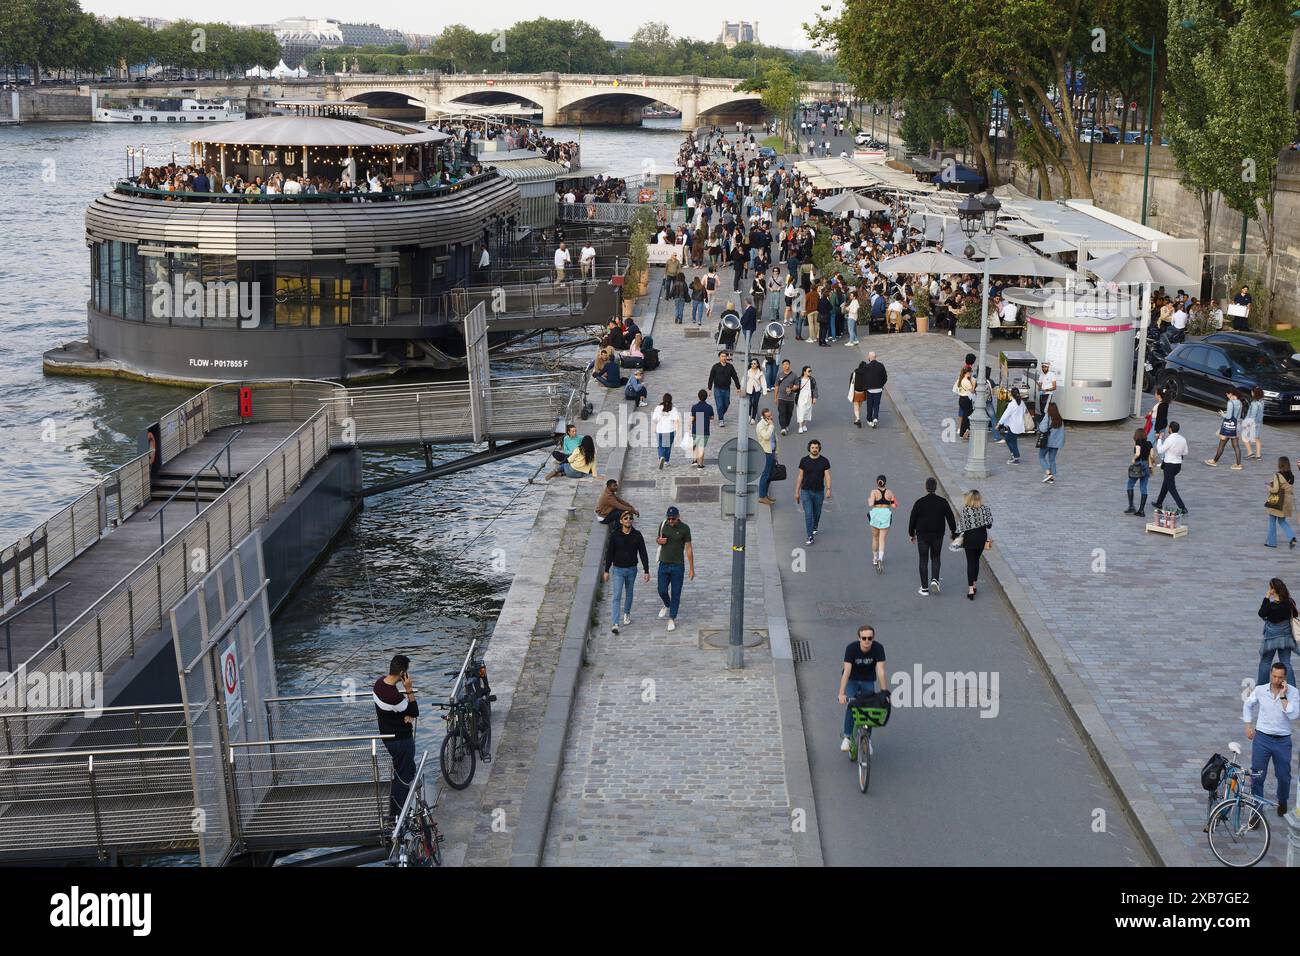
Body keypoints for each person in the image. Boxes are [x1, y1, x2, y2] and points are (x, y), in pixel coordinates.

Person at [1242, 661, 1297, 817]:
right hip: (1262, 739)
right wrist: (1248, 726)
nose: (1276, 680)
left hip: (1283, 741)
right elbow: (1248, 705)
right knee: (1257, 775)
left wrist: (1283, 696)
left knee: (1284, 776)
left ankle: (1283, 800)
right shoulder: (1260, 690)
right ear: (1270, 675)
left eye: (1280, 677)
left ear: (1285, 677)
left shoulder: (1292, 692)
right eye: (1274, 676)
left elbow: (1293, 714)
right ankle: (1256, 812)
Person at [373, 654, 418, 823]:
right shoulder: (395, 696)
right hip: (401, 740)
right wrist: (409, 689)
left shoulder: (378, 684)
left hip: (388, 737)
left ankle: (399, 808)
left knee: (404, 771)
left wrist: (404, 715)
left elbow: (396, 711)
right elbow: (414, 711)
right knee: (403, 776)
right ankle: (397, 817)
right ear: (402, 673)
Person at [837, 625, 887, 752]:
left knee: (868, 708)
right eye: (864, 638)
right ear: (859, 638)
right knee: (852, 704)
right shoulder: (851, 649)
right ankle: (847, 738)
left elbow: (881, 671)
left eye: (869, 638)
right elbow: (847, 671)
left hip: (867, 680)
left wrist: (884, 692)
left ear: (873, 638)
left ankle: (867, 740)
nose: (867, 641)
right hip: (852, 680)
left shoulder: (878, 648)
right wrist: (841, 693)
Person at [602, 512, 649, 635]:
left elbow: (643, 553)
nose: (628, 520)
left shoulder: (637, 535)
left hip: (632, 569)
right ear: (621, 521)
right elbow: (610, 554)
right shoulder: (614, 535)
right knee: (616, 596)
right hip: (617, 570)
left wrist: (646, 570)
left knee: (629, 593)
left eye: (630, 518)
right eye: (626, 518)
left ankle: (626, 613)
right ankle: (615, 623)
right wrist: (606, 570)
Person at [908, 476, 956, 596]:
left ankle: (924, 588)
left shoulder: (919, 502)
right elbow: (950, 518)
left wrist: (911, 533)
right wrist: (953, 532)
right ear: (936, 488)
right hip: (937, 535)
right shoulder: (942, 502)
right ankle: (935, 579)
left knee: (923, 559)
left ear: (925, 487)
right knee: (936, 557)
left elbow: (912, 519)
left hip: (922, 536)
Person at [654, 506, 694, 632]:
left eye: (673, 518)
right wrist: (659, 541)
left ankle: (672, 618)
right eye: (669, 518)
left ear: (678, 517)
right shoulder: (663, 525)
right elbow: (657, 539)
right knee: (661, 590)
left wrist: (691, 568)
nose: (670, 521)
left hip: (678, 565)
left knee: (676, 593)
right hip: (664, 563)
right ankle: (666, 604)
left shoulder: (685, 528)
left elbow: (688, 548)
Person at [1258, 578, 1299, 686]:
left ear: (1273, 589)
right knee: (1286, 663)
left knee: (1265, 663)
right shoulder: (1289, 603)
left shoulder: (1271, 606)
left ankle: (1261, 688)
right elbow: (1295, 615)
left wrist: (1267, 596)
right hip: (1286, 638)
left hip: (1271, 639)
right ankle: (1292, 688)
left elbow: (1261, 613)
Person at [955, 490, 993, 600]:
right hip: (981, 539)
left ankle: (971, 589)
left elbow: (960, 527)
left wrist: (955, 537)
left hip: (969, 540)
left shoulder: (966, 510)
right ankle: (975, 584)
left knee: (970, 563)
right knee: (976, 561)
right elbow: (989, 525)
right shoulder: (985, 509)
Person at [794, 439, 832, 546]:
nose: (814, 449)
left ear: (819, 448)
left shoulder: (824, 461)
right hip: (806, 491)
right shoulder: (804, 460)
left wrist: (828, 489)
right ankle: (810, 536)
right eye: (812, 447)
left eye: (816, 447)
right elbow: (800, 476)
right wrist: (797, 492)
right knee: (809, 514)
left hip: (819, 492)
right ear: (809, 448)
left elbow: (827, 475)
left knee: (817, 513)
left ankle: (815, 526)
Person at [1205, 387, 1243, 469]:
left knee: (1221, 444)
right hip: (1237, 426)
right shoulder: (1240, 402)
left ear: (1231, 393)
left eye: (1227, 394)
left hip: (1228, 427)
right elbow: (1236, 415)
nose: (1227, 396)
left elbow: (1229, 416)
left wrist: (1222, 414)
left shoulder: (1230, 402)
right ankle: (1238, 464)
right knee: (1236, 445)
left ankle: (1214, 461)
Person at [1265, 456, 1297, 549]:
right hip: (1287, 501)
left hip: (1277, 502)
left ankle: (1272, 543)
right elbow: (1286, 486)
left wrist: (1269, 487)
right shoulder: (1291, 475)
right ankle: (1292, 537)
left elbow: (1275, 490)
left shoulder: (1277, 475)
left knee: (1272, 521)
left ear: (1280, 464)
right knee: (1282, 521)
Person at [867, 475, 897, 573]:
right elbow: (894, 505)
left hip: (875, 514)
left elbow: (871, 504)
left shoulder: (874, 492)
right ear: (885, 482)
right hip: (885, 514)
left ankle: (875, 558)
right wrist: (892, 500)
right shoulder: (890, 492)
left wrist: (869, 500)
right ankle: (880, 558)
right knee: (882, 539)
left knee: (875, 537)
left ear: (877, 482)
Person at [1124, 426, 1153, 518]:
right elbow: (1151, 455)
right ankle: (1141, 510)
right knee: (1143, 487)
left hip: (1138, 466)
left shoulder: (1138, 442)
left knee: (1130, 484)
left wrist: (1133, 458)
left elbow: (1138, 453)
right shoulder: (1149, 443)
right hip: (1146, 466)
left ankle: (1131, 506)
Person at [707, 350, 742, 427]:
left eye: (725, 356)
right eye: (722, 356)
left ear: (727, 357)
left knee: (726, 404)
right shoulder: (715, 367)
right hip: (717, 389)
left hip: (727, 389)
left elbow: (735, 377)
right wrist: (709, 389)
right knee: (719, 405)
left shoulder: (730, 367)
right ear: (719, 357)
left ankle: (721, 414)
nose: (723, 358)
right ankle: (721, 420)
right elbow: (711, 378)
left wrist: (738, 387)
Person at [996, 387, 1028, 464]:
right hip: (1018, 425)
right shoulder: (1022, 403)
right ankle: (1014, 455)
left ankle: (1015, 457)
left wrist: (999, 424)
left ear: (1011, 395)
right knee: (1012, 440)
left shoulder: (1011, 404)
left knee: (1009, 440)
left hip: (1013, 426)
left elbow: (1005, 415)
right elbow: (1024, 412)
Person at [651, 393, 682, 470]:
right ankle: (666, 461)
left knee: (660, 446)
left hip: (660, 430)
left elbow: (654, 419)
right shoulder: (673, 409)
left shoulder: (658, 408)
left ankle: (661, 457)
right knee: (668, 446)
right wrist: (678, 432)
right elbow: (677, 421)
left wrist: (653, 428)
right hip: (670, 431)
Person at [1037, 402, 1065, 483]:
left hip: (1047, 442)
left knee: (1041, 456)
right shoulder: (1060, 419)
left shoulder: (1048, 417)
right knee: (1052, 459)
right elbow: (1062, 434)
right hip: (1056, 444)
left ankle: (1048, 473)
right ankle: (1051, 478)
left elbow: (1043, 429)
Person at [757, 407, 778, 505]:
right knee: (765, 474)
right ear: (764, 417)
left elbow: (774, 439)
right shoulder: (761, 426)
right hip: (766, 452)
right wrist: (771, 426)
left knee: (770, 475)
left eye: (771, 415)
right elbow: (766, 437)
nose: (771, 418)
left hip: (772, 451)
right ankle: (762, 496)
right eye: (769, 416)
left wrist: (776, 451)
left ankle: (765, 495)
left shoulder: (769, 424)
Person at [688, 389, 715, 470]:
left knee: (695, 445)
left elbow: (692, 418)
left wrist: (689, 425)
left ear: (698, 397)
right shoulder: (709, 407)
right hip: (705, 430)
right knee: (701, 447)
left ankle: (694, 460)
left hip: (696, 428)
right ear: (706, 397)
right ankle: (700, 464)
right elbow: (712, 417)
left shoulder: (695, 407)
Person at [861, 352, 887, 427]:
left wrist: (865, 387)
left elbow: (864, 378)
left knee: (870, 405)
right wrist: (881, 384)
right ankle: (875, 417)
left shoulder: (867, 366)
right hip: (878, 389)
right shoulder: (881, 365)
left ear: (869, 357)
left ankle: (869, 419)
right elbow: (885, 377)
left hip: (870, 390)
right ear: (876, 357)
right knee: (876, 404)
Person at [775, 359, 799, 435]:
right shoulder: (780, 375)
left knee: (789, 413)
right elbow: (776, 386)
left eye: (787, 364)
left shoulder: (794, 375)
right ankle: (783, 428)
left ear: (789, 365)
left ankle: (786, 425)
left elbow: (797, 385)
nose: (786, 366)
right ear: (782, 366)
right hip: (781, 397)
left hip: (790, 398)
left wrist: (792, 388)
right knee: (782, 412)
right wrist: (775, 397)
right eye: (784, 364)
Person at [1243, 387, 1265, 462]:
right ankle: (1258, 455)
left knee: (1244, 436)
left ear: (1254, 393)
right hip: (1258, 423)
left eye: (1252, 392)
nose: (1251, 393)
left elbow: (1252, 415)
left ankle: (1250, 453)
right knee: (1257, 438)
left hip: (1252, 423)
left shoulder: (1254, 403)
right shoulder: (1262, 402)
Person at [795, 365, 818, 434]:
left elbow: (815, 389)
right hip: (801, 397)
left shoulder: (812, 379)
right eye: (809, 371)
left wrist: (814, 398)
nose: (810, 372)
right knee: (801, 411)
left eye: (811, 371)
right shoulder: (799, 379)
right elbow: (795, 388)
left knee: (807, 411)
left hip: (809, 397)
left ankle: (804, 425)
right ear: (804, 372)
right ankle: (800, 426)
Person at [849, 360, 871, 428]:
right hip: (862, 393)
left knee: (856, 406)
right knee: (859, 406)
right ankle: (857, 419)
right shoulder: (866, 374)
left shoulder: (854, 373)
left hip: (855, 392)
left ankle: (858, 419)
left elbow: (850, 383)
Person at [955, 366, 976, 440]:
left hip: (961, 399)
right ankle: (964, 432)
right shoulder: (967, 381)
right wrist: (974, 383)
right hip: (966, 400)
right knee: (967, 417)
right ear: (968, 373)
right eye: (970, 372)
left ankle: (964, 432)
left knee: (965, 416)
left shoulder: (961, 379)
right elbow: (972, 391)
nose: (971, 374)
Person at [743, 358, 766, 424]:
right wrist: (741, 388)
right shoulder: (747, 371)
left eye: (754, 363)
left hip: (757, 390)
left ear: (757, 364)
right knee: (749, 403)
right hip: (749, 389)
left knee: (755, 404)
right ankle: (749, 415)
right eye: (752, 363)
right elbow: (743, 380)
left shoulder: (760, 372)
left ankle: (753, 418)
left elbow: (763, 382)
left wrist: (764, 391)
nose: (753, 365)